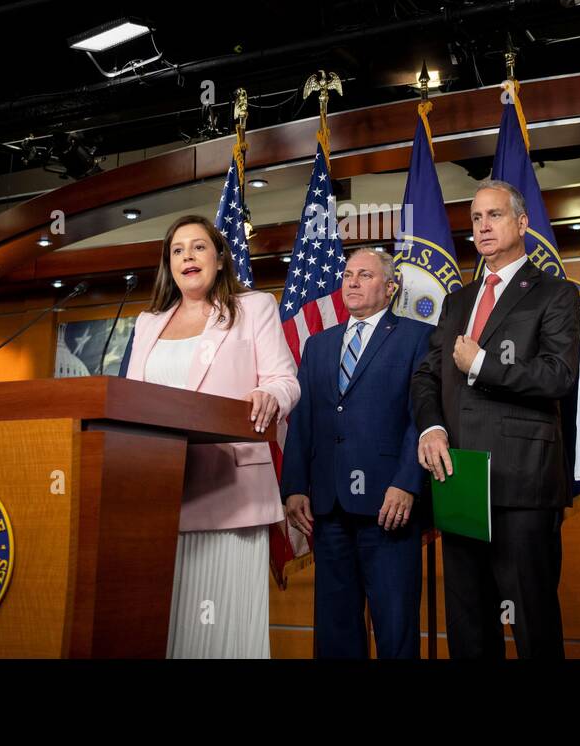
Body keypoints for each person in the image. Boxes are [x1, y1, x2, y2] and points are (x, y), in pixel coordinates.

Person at [411, 180, 579, 659]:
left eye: (495, 215)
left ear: (522, 223)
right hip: (459, 480)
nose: (483, 227)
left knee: (532, 622)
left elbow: (559, 376)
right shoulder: (458, 301)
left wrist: (483, 364)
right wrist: (431, 427)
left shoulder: (556, 294)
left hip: (522, 481)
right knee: (468, 625)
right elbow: (426, 376)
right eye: (476, 219)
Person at [123, 214, 300, 658]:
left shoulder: (253, 308)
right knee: (169, 627)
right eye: (178, 249)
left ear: (220, 259)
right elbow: (128, 398)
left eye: (199, 247)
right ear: (169, 263)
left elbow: (286, 380)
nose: (188, 256)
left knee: (225, 629)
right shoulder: (147, 323)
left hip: (230, 490)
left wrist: (269, 393)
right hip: (162, 491)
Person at [281, 247, 432, 658]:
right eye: (348, 274)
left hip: (389, 507)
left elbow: (421, 420)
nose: (352, 281)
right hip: (328, 509)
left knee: (395, 625)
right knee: (335, 628)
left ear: (390, 287)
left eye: (365, 275)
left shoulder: (417, 337)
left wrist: (407, 483)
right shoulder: (318, 345)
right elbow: (303, 419)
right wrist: (295, 485)